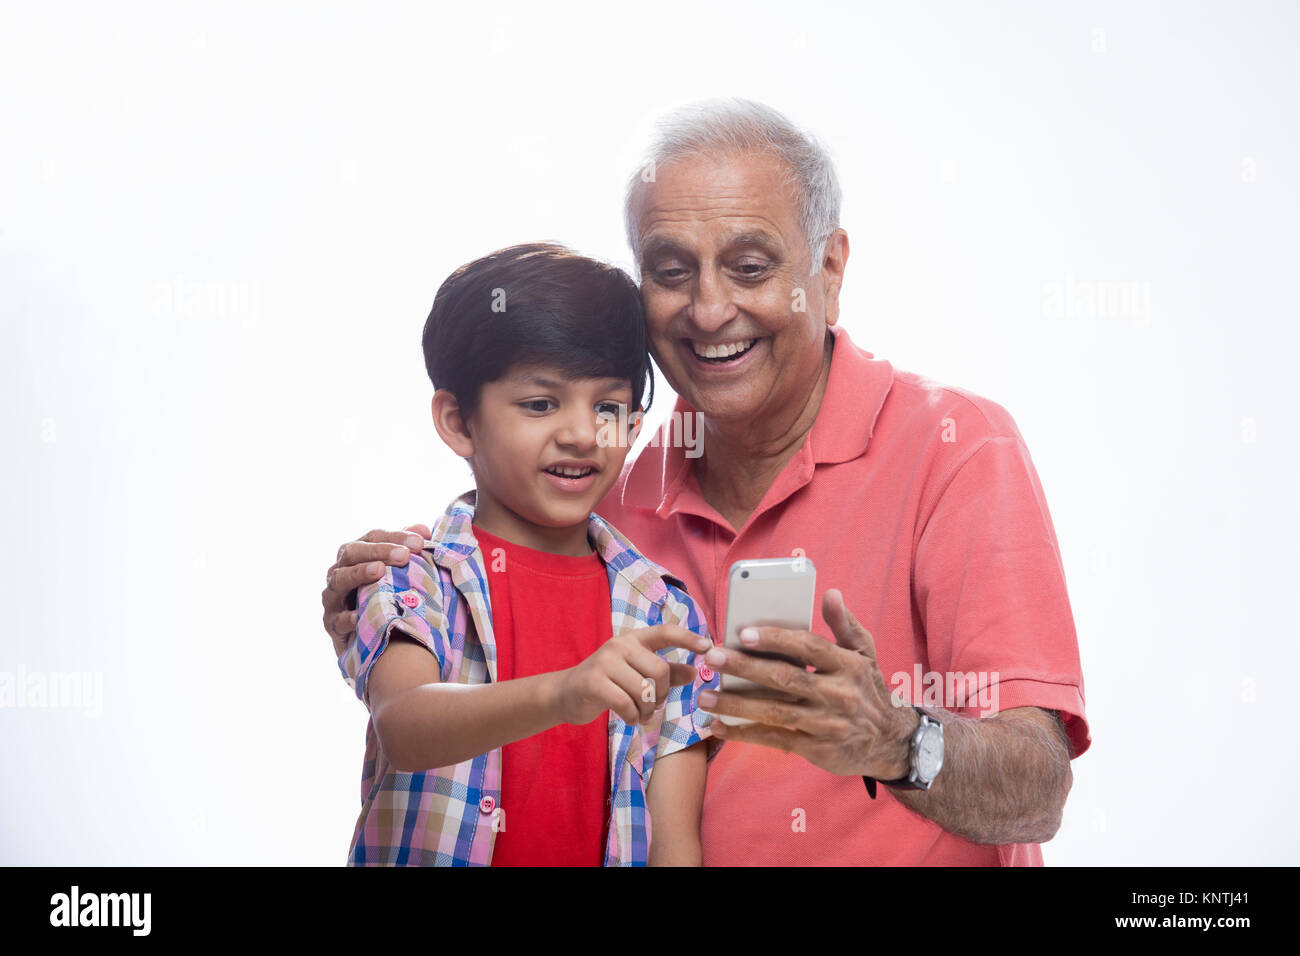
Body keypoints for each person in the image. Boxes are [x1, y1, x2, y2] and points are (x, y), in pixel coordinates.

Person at [324, 99, 1091, 866]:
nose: (711, 309)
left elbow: (1036, 788)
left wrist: (896, 741)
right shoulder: (605, 499)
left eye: (750, 268)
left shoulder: (954, 449)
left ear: (829, 270)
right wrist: (380, 601)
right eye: (670, 272)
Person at [339, 241, 719, 866]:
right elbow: (405, 724)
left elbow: (676, 845)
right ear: (459, 421)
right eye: (540, 403)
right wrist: (564, 693)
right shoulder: (410, 576)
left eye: (607, 406)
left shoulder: (663, 616)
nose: (578, 433)